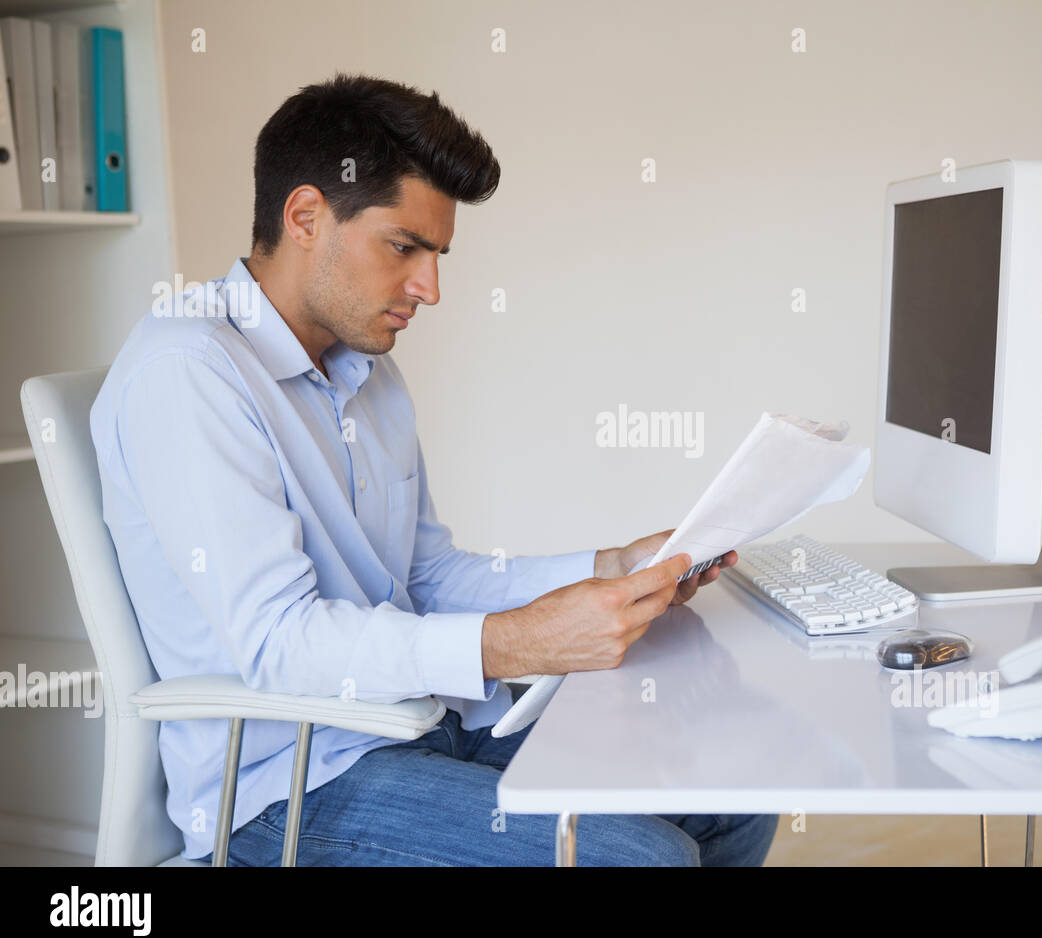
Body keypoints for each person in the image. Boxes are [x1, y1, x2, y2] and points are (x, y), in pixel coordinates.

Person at [89, 73, 777, 866]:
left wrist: (613, 569)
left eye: (437, 253)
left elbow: (427, 574)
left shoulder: (367, 374)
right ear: (307, 215)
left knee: (732, 797)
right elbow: (279, 641)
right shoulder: (187, 370)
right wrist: (514, 645)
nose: (431, 288)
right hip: (292, 789)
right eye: (404, 247)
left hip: (422, 728)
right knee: (641, 858)